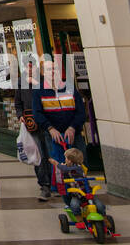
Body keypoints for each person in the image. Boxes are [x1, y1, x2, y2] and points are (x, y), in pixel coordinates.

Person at [31, 66, 87, 197]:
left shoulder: (69, 87)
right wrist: (50, 128)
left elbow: (80, 112)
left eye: (55, 69)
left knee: (79, 160)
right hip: (53, 134)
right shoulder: (39, 91)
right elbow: (37, 114)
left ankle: (82, 186)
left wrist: (72, 127)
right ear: (44, 73)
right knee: (58, 162)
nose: (52, 72)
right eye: (49, 70)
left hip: (73, 133)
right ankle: (63, 189)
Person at [14, 79, 53, 201]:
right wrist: (20, 115)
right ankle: (45, 185)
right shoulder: (21, 83)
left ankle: (56, 182)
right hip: (31, 123)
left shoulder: (44, 81)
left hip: (48, 122)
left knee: (51, 153)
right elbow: (18, 103)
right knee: (38, 154)